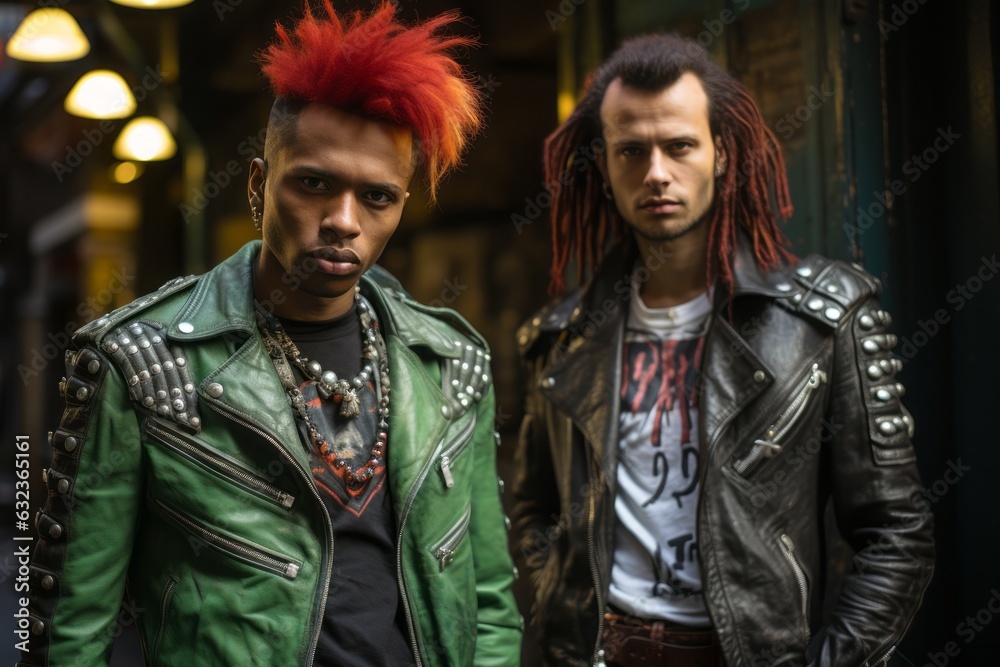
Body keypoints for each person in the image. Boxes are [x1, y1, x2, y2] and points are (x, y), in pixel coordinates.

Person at [20, 3, 521, 665]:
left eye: (377, 196)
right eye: (313, 183)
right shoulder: (140, 362)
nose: (343, 219)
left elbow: (487, 600)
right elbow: (67, 630)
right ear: (258, 186)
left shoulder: (451, 363)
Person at [512, 33, 933, 667]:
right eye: (631, 151)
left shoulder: (822, 320)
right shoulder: (562, 336)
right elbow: (533, 511)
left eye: (679, 145)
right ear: (602, 168)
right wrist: (557, 600)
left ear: (723, 154)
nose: (656, 172)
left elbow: (895, 532)